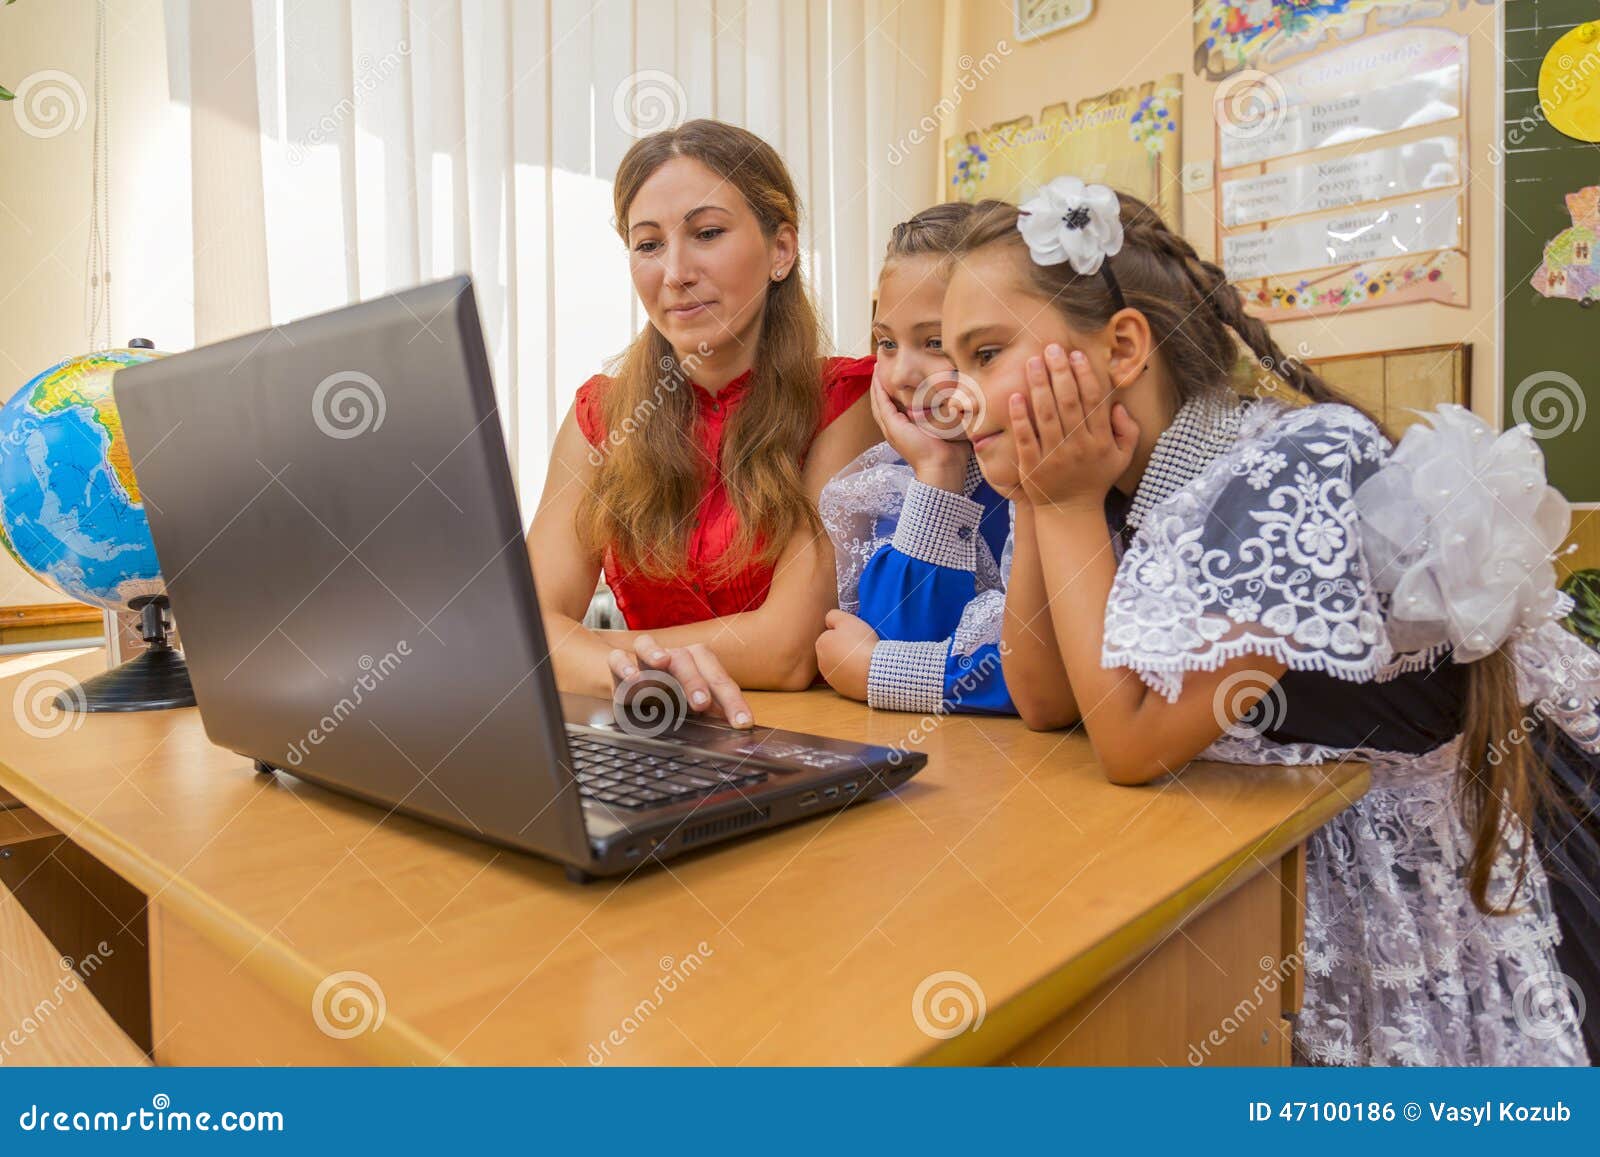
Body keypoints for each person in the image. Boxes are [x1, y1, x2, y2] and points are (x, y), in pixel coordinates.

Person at [941, 177, 1597, 1065]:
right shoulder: (1123, 482)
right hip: (1293, 853)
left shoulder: (1284, 466)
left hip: (1420, 871)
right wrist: (1034, 501)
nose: (956, 396)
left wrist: (1061, 506)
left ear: (1123, 347)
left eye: (985, 355)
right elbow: (1048, 700)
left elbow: (1130, 743)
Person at [526, 119, 877, 726]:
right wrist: (628, 665)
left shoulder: (845, 401)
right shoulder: (600, 417)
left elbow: (788, 650)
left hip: (804, 743)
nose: (675, 272)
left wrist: (586, 652)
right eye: (648, 244)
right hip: (655, 733)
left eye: (707, 233)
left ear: (781, 251)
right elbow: (524, 629)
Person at [816, 202, 1013, 715]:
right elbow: (898, 632)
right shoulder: (897, 483)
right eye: (885, 342)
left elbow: (1052, 674)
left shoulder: (1048, 470)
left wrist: (887, 673)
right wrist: (938, 473)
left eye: (934, 341)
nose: (901, 373)